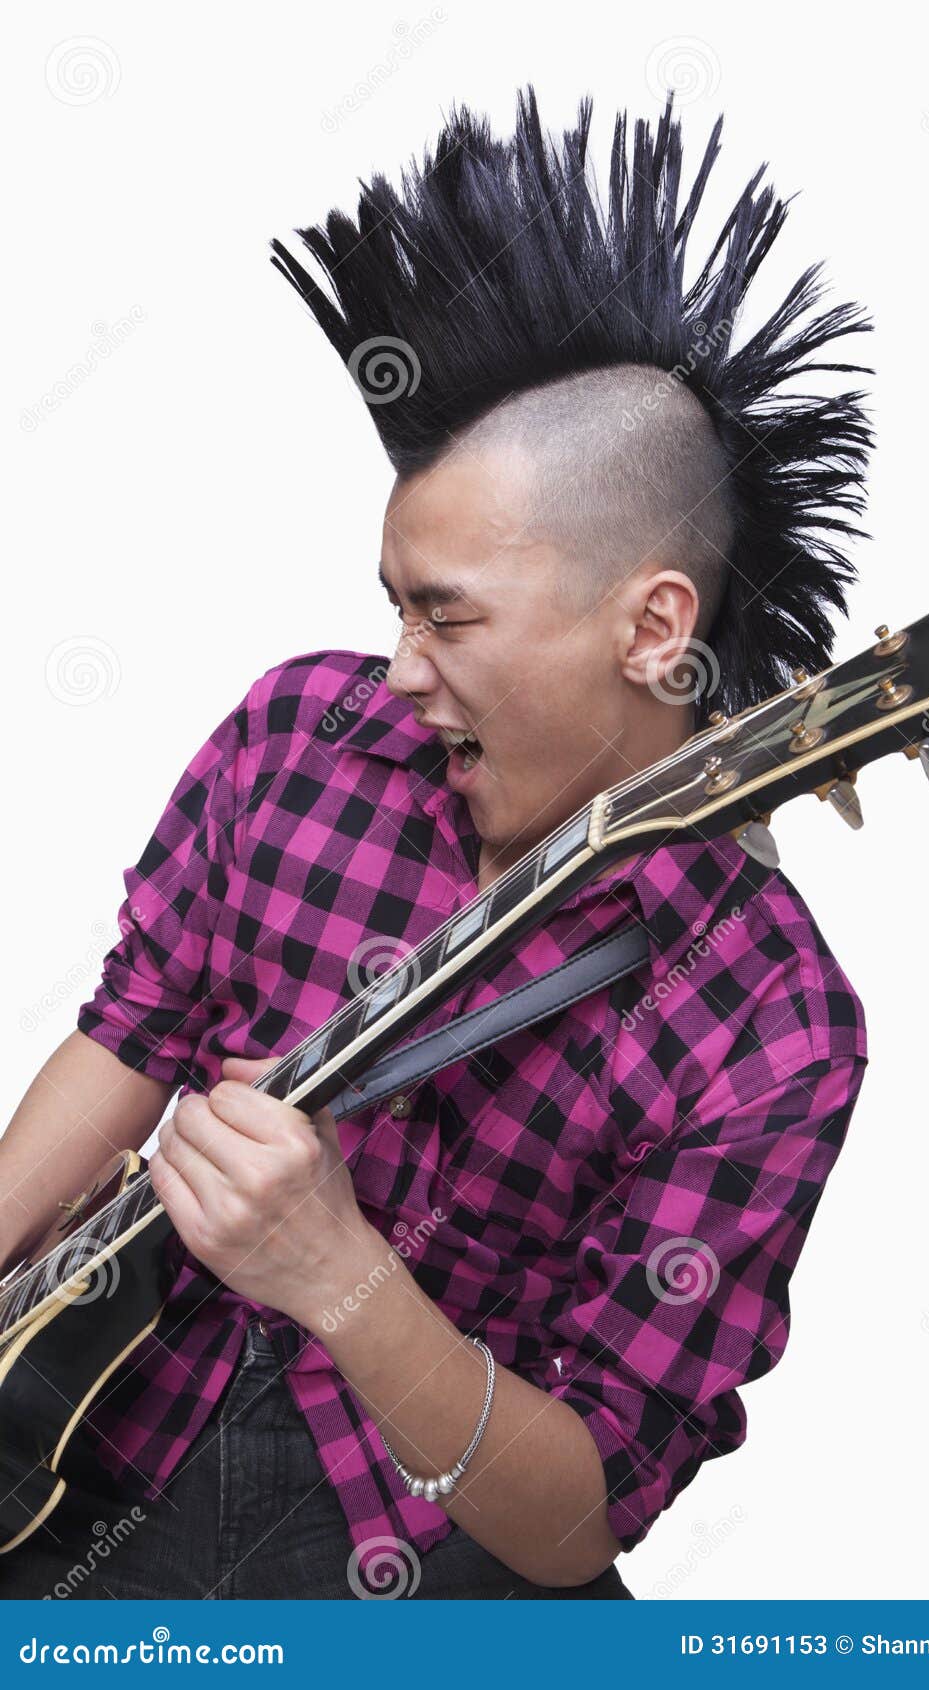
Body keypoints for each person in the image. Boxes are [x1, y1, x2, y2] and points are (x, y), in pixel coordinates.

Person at [0, 86, 870, 1600]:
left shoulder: (773, 1023)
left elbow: (578, 1515)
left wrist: (336, 1272)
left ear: (653, 627)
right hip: (93, 1416)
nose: (396, 664)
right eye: (393, 600)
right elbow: (124, 1038)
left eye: (446, 611)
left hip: (411, 1530)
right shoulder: (299, 738)